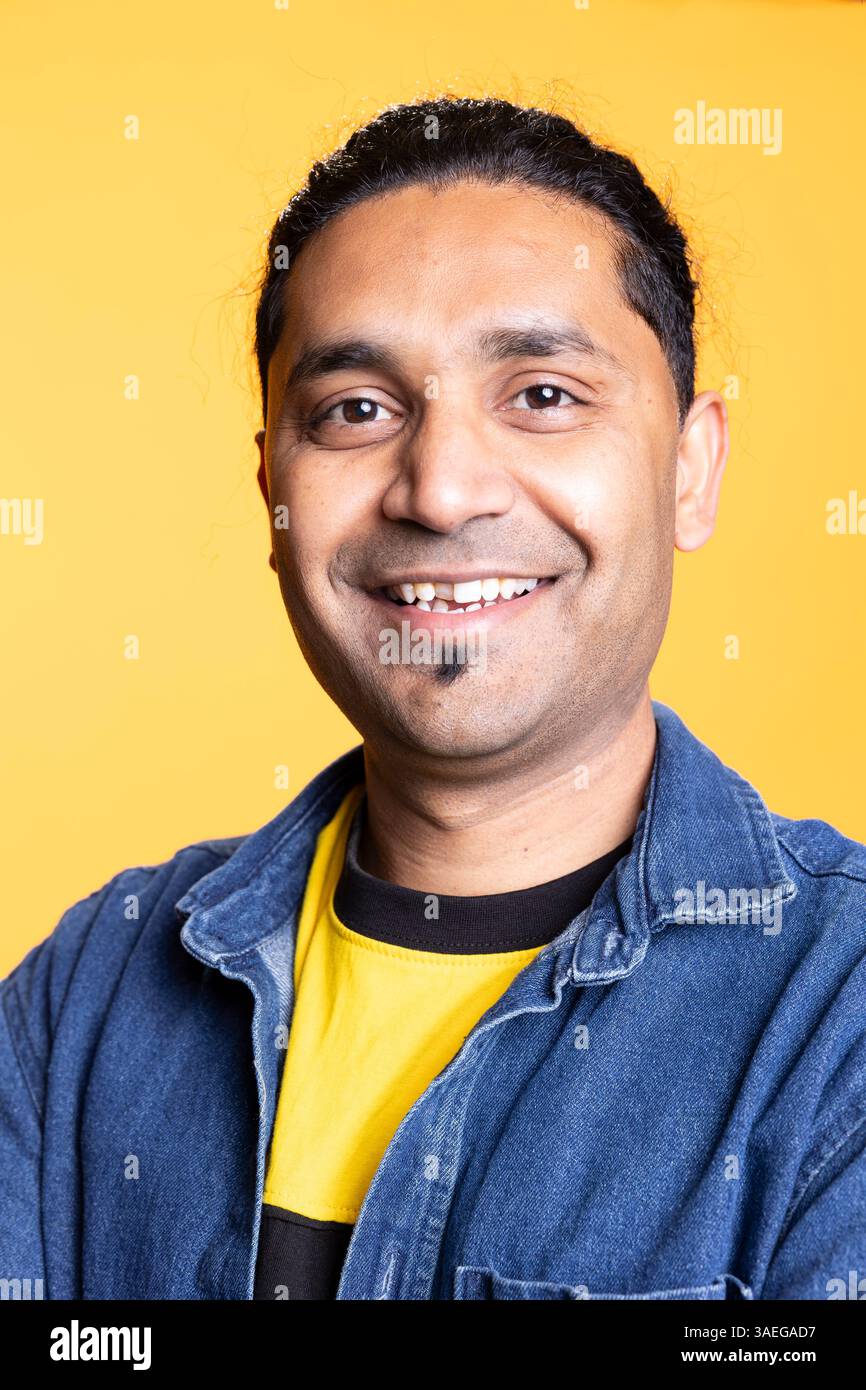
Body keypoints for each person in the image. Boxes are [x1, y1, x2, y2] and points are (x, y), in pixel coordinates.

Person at [2, 96, 864, 1302]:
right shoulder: (84, 998)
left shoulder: (839, 1018)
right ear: (274, 491)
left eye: (542, 395)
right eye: (356, 410)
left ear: (689, 466)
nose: (442, 489)